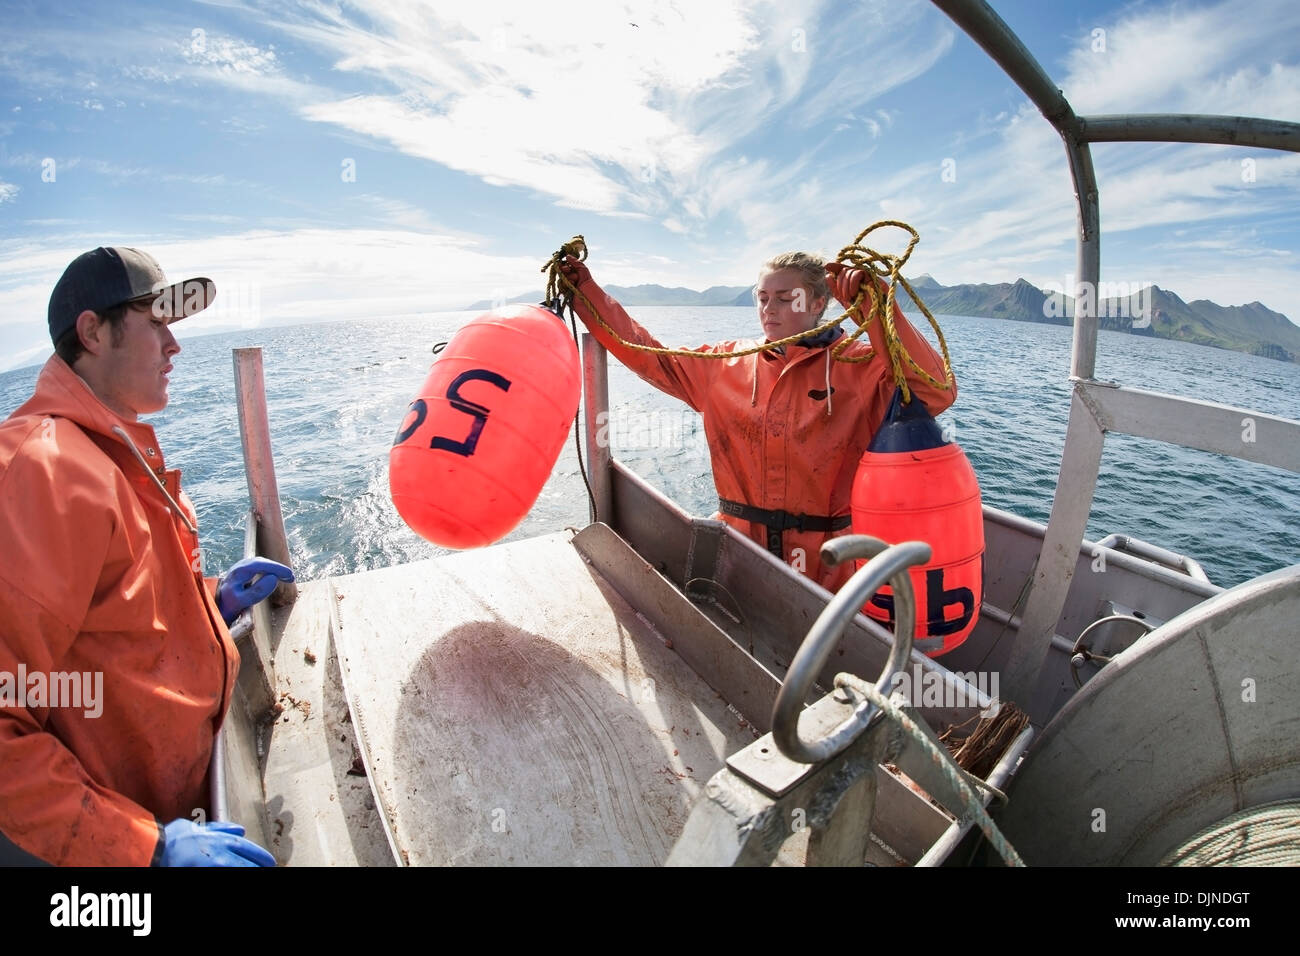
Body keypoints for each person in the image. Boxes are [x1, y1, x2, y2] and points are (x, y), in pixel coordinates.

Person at [0, 247, 293, 866]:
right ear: (92, 331)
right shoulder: (40, 469)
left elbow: (112, 619)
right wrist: (145, 848)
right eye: (155, 322)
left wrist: (209, 600)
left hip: (180, 808)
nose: (174, 345)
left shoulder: (112, 448)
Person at [560, 251, 956, 592]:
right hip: (736, 551)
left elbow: (935, 391)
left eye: (785, 299)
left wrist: (878, 308)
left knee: (823, 663)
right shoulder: (726, 364)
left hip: (830, 563)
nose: (769, 309)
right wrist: (587, 295)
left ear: (819, 302)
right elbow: (648, 355)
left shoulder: (862, 367)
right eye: (763, 298)